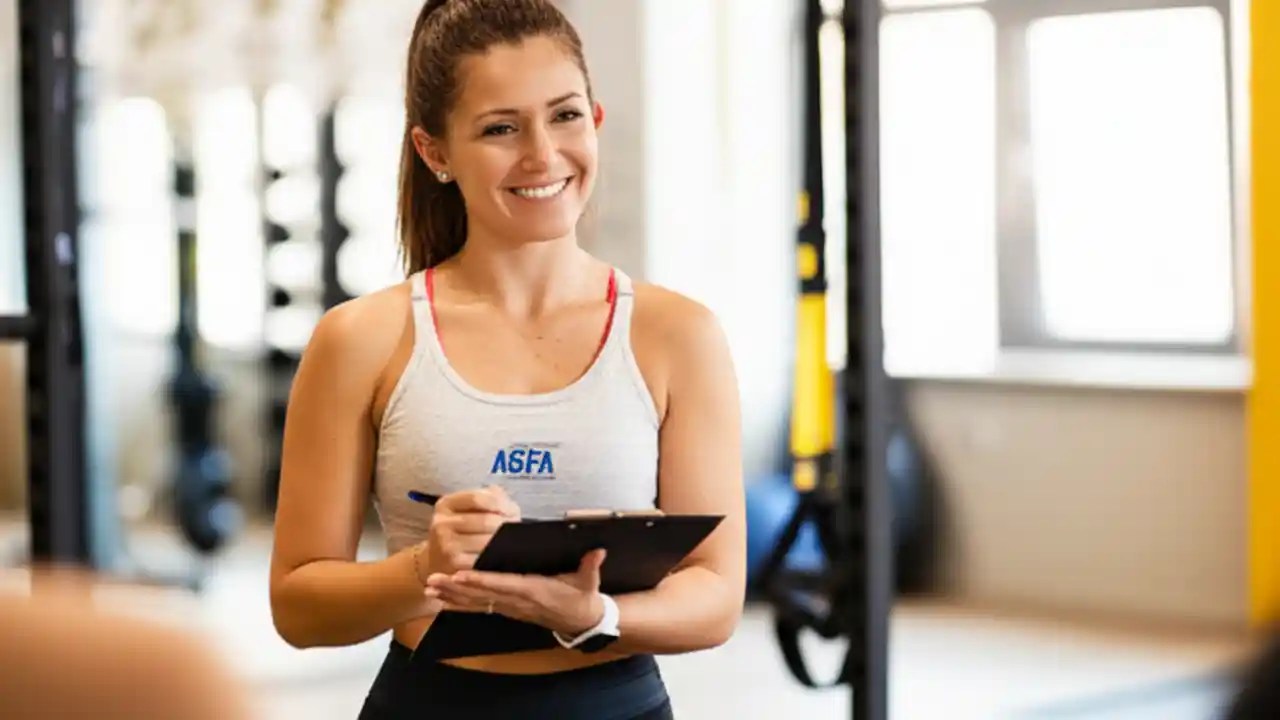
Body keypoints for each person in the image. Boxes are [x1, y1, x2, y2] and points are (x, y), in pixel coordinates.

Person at [267, 1, 747, 718]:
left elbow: (715, 593)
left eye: (565, 116)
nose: (543, 155)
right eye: (500, 128)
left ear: (596, 120)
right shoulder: (359, 339)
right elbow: (299, 607)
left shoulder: (679, 334)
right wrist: (425, 568)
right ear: (434, 153)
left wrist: (596, 617)